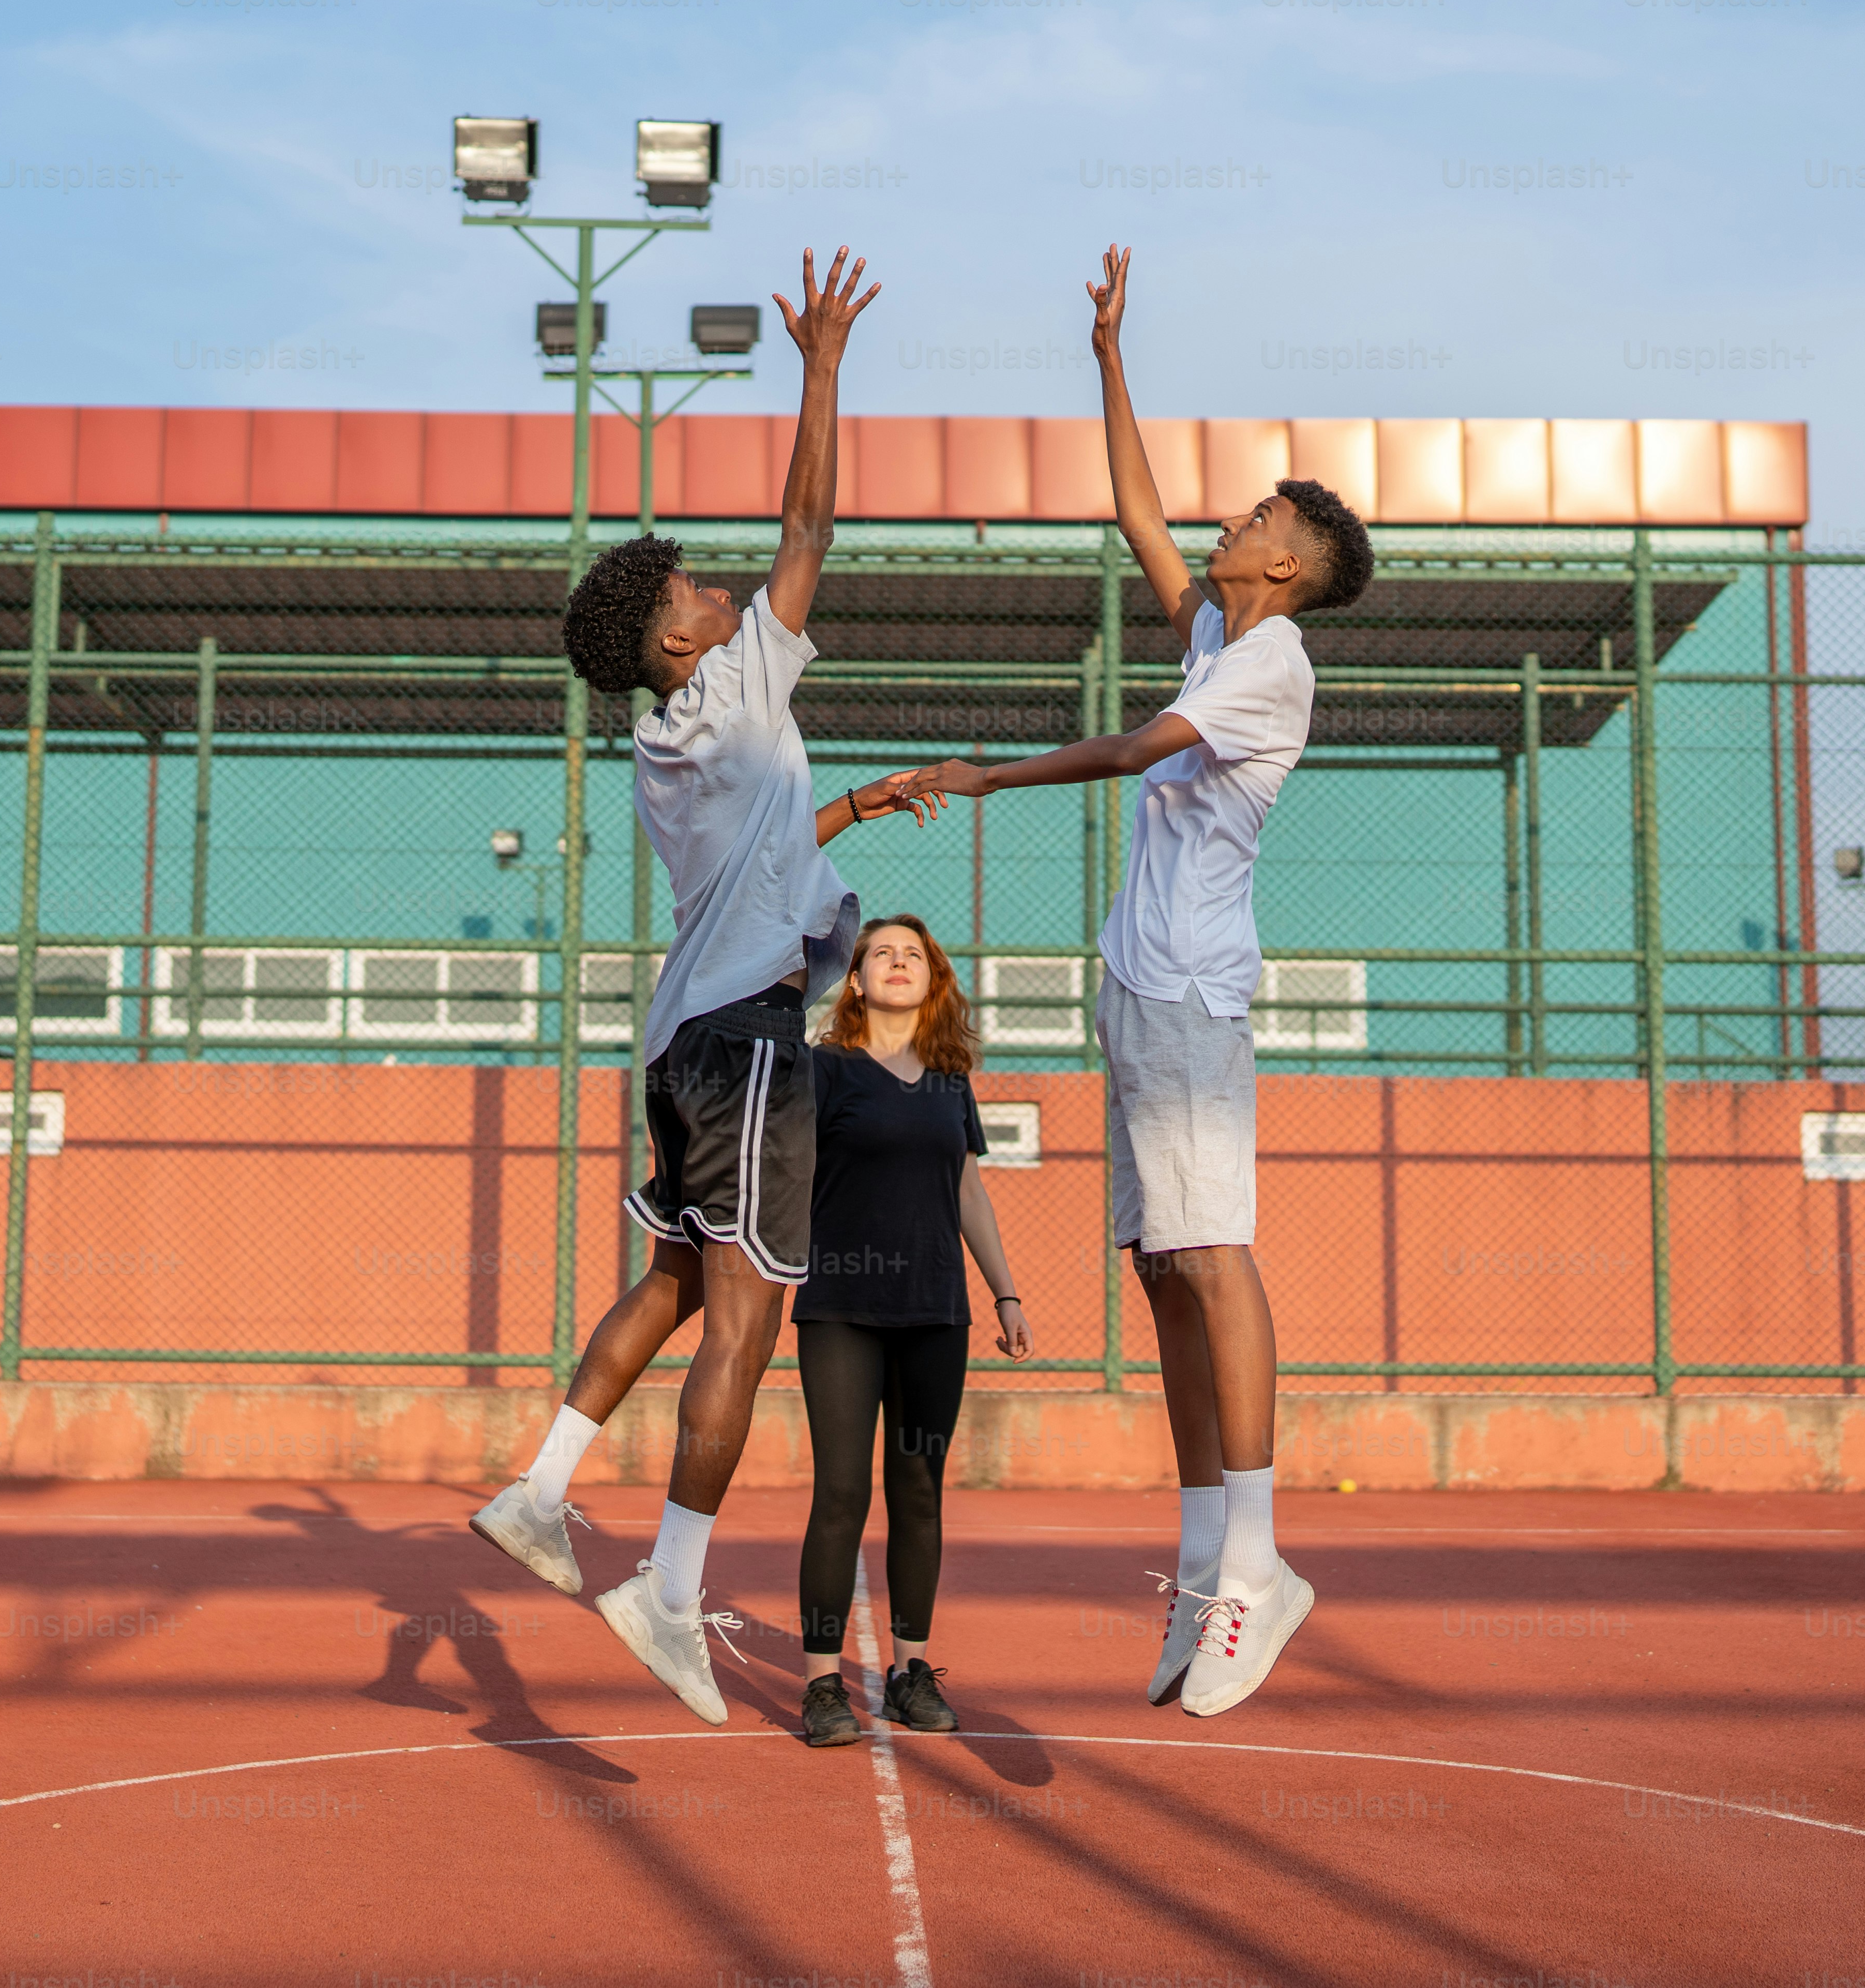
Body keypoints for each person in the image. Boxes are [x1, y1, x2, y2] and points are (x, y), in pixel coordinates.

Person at [886, 245, 1372, 1718]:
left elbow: (1128, 751)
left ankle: (1265, 1564)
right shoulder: (1229, 627)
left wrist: (983, 775)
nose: (1235, 520)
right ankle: (1204, 1557)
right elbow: (1142, 516)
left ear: (1286, 562)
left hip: (1189, 994)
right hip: (1142, 987)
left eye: (1262, 513)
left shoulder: (1266, 665)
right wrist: (1108, 356)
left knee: (1213, 1257)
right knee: (1162, 1270)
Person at [471, 246, 919, 1728]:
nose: (717, 583)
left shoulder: (670, 745)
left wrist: (854, 807)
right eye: (692, 585)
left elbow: (768, 857)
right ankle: (666, 1590)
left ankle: (541, 1490)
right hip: (750, 1048)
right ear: (678, 640)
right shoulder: (737, 683)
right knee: (746, 1319)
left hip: (681, 1044)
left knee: (670, 1281)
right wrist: (825, 363)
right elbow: (812, 521)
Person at [793, 913, 1032, 1751]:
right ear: (855, 980)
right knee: (841, 1495)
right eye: (881, 954)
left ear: (933, 981)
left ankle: (908, 1672)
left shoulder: (950, 1081)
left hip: (937, 1310)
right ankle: (823, 1682)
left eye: (914, 956)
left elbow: (968, 1189)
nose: (898, 963)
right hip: (839, 1311)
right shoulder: (821, 1072)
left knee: (920, 1493)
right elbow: (786, 1184)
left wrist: (1005, 1294)